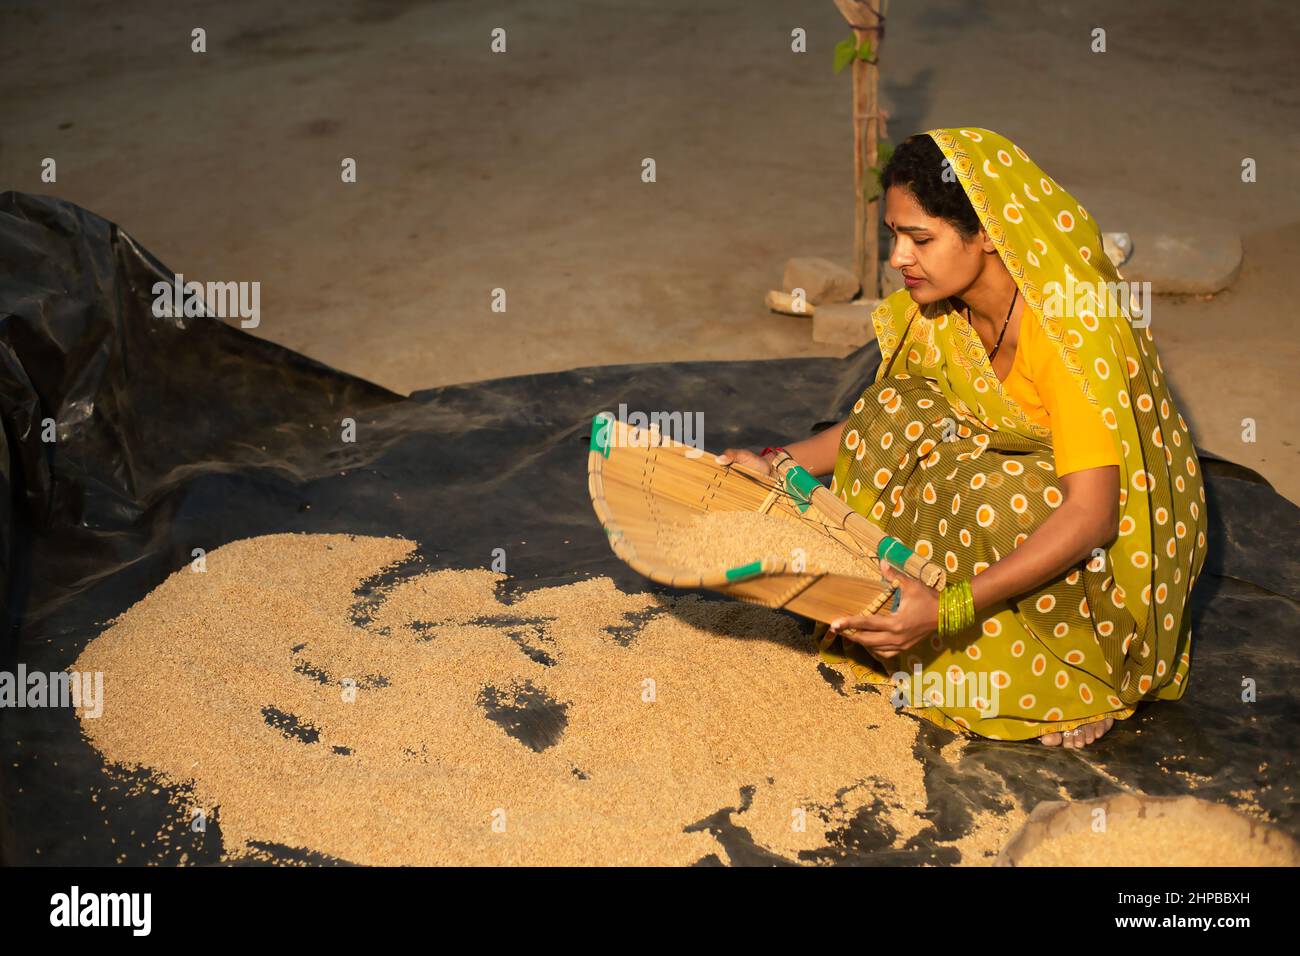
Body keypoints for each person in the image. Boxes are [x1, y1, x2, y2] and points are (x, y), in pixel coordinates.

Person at [717, 128, 1207, 749]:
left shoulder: (1066, 328)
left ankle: (1079, 678)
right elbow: (879, 426)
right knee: (895, 404)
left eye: (920, 238)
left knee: (1001, 498)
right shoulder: (944, 309)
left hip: (1105, 534)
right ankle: (897, 608)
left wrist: (948, 608)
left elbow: (1093, 515)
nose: (898, 258)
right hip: (1002, 470)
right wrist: (777, 464)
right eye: (894, 235)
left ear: (989, 236)